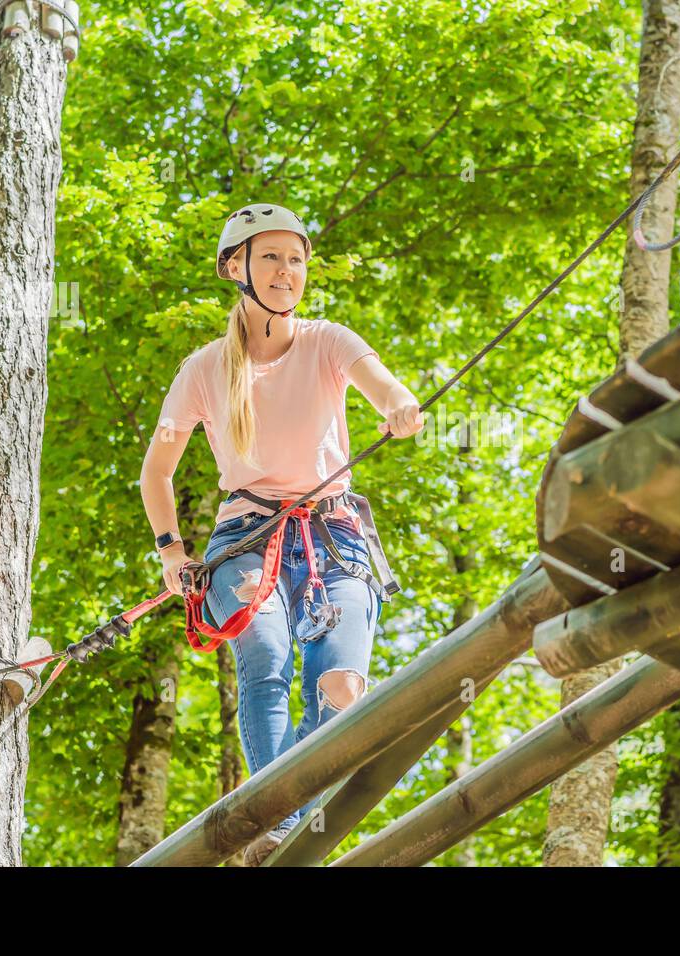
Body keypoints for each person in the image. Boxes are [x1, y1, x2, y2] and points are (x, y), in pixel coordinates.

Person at [139, 202, 423, 865]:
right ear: (234, 267)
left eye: (295, 260)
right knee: (264, 661)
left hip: (333, 537)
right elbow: (156, 472)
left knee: (339, 684)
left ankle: (301, 812)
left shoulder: (329, 340)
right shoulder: (204, 369)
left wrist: (401, 408)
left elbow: (384, 386)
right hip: (245, 540)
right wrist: (170, 553)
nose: (286, 271)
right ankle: (271, 822)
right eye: (271, 257)